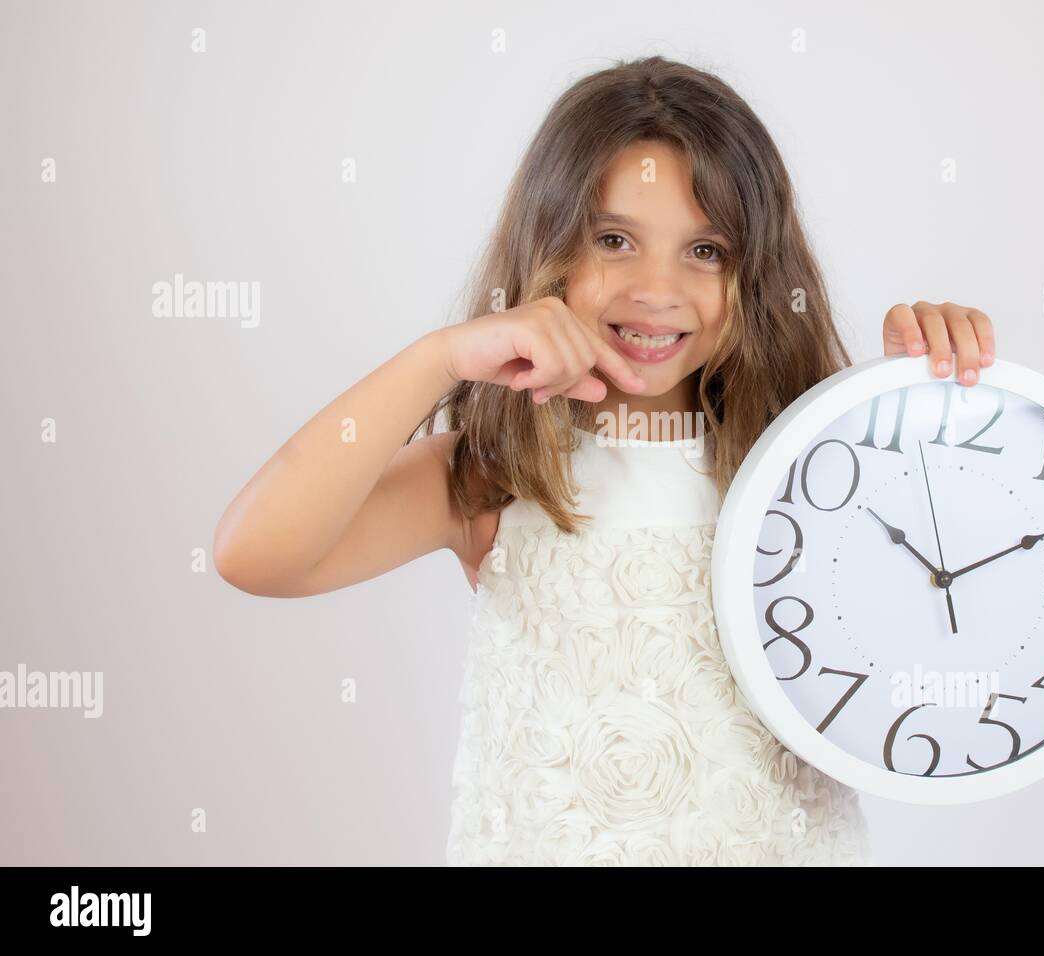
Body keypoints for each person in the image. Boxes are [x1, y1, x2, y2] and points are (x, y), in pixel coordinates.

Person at [214, 55, 997, 865]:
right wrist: (439, 358)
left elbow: (956, 631)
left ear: (756, 273)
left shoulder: (818, 470)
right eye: (614, 240)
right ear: (549, 247)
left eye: (706, 251)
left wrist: (921, 406)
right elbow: (255, 553)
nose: (657, 290)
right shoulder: (497, 475)